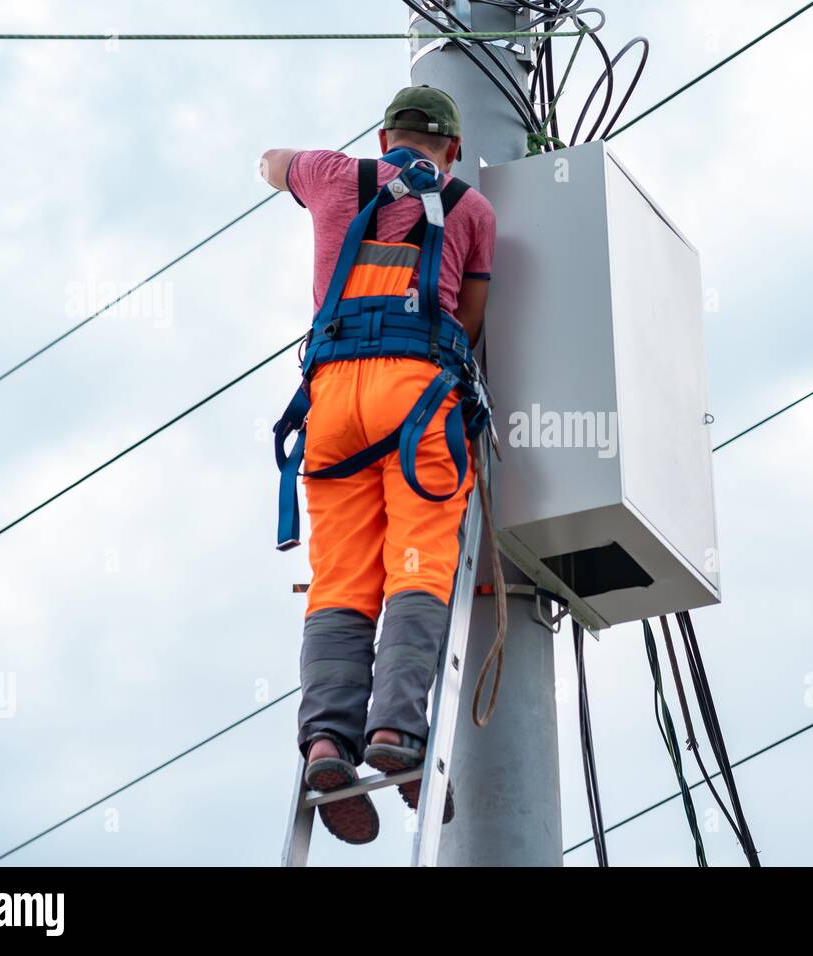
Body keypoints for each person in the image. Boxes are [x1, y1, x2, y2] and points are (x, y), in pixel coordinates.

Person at [261, 85, 496, 844]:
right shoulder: (472, 211)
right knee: (420, 565)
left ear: (384, 133)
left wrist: (294, 172)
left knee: (340, 583)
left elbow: (271, 163)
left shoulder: (333, 176)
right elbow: (470, 320)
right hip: (416, 400)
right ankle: (396, 729)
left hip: (329, 405)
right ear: (453, 150)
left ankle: (327, 741)